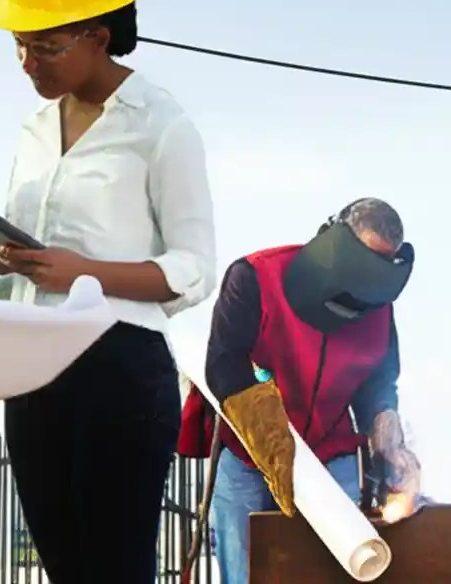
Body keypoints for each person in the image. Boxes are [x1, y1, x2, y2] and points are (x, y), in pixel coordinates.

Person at [0, 0, 217, 583]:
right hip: (35, 370)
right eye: (20, 45)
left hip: (121, 370)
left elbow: (195, 270)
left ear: (97, 37)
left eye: (44, 46)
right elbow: (25, 267)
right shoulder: (34, 128)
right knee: (63, 569)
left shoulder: (162, 126)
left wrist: (88, 273)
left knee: (114, 569)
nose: (28, 62)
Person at [176, 197, 423, 584]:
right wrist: (271, 443)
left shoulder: (379, 306)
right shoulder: (255, 277)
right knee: (243, 573)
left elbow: (377, 383)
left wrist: (389, 444)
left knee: (335, 564)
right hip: (247, 456)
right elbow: (224, 367)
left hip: (329, 454)